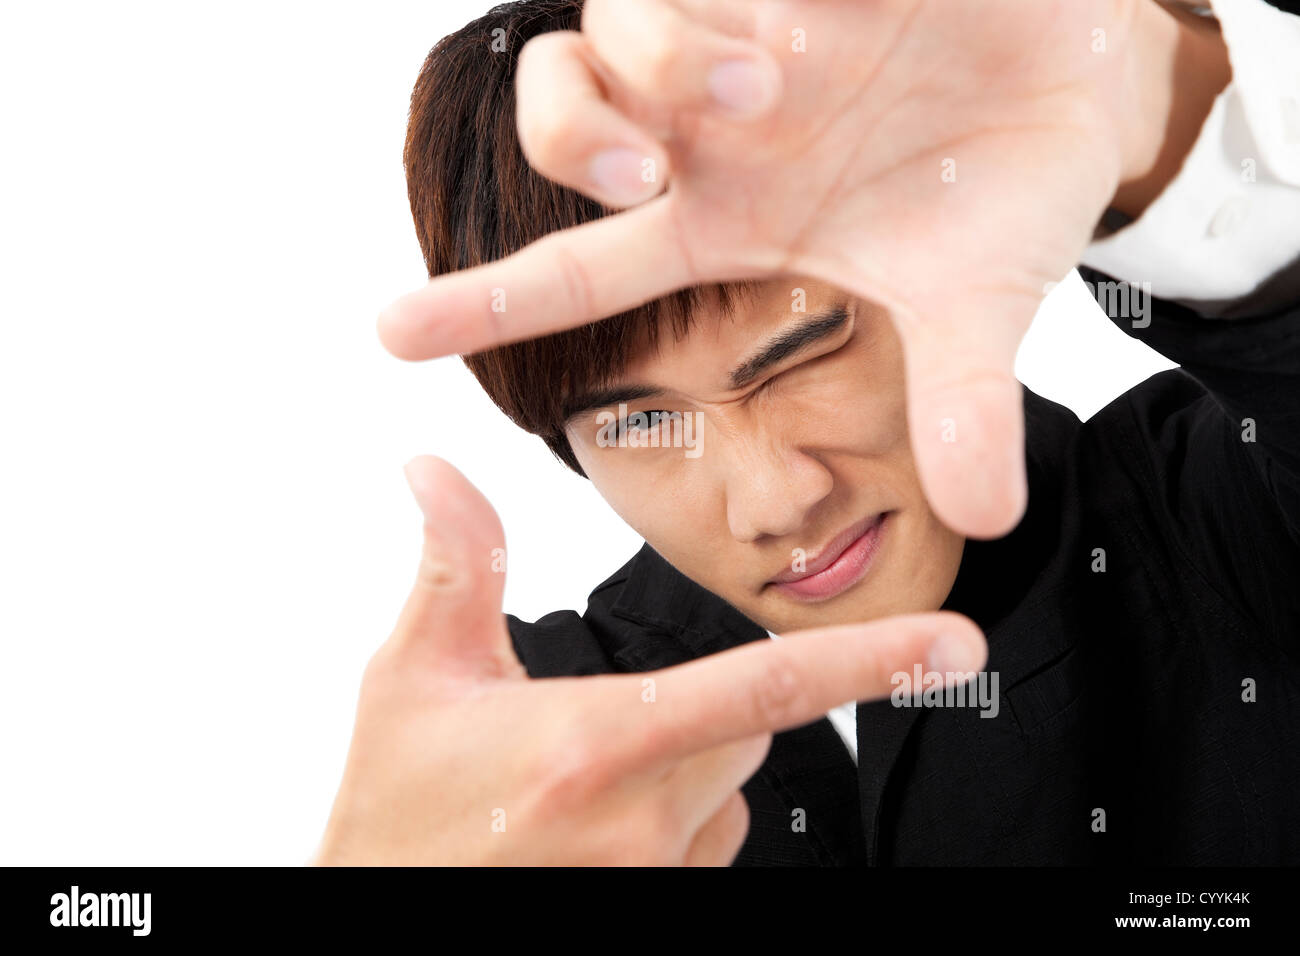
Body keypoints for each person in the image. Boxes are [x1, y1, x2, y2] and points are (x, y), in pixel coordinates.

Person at [314, 0, 1300, 865]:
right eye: (642, 419)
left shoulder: (1221, 519)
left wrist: (1167, 120)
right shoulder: (542, 742)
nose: (778, 499)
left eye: (803, 348)